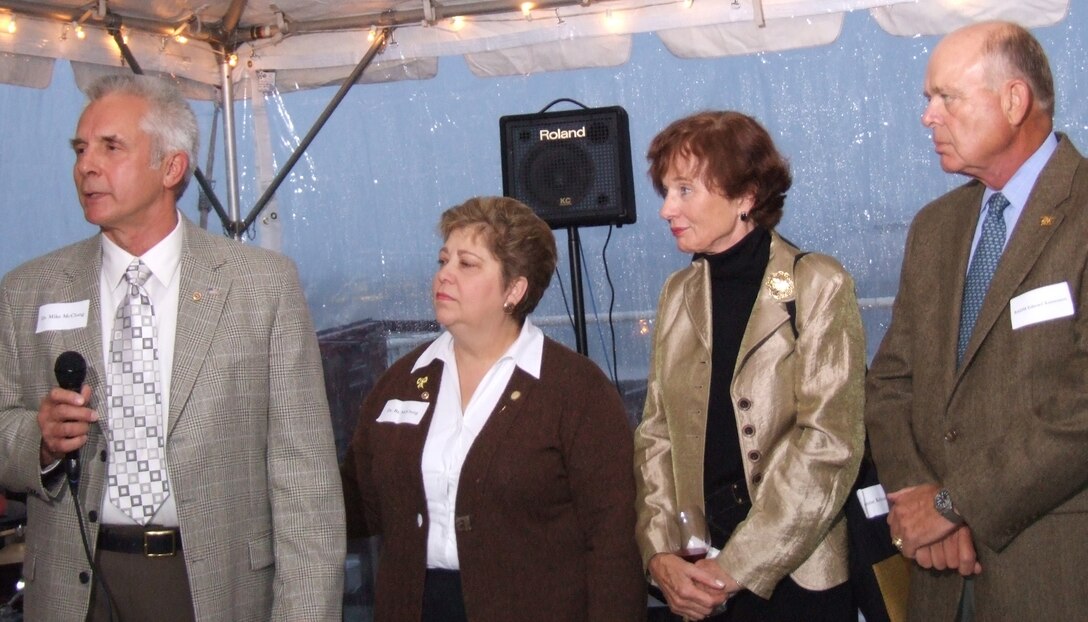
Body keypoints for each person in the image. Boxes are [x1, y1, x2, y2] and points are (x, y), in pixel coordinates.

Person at [0, 74, 345, 621]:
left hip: (212, 586)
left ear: (171, 167)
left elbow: (307, 484)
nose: (86, 165)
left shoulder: (261, 287)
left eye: (111, 147)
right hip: (74, 588)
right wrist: (37, 444)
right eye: (81, 149)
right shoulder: (28, 291)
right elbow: (2, 425)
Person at [865, 20, 1088, 621]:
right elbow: (889, 383)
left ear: (1013, 101)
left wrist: (955, 502)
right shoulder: (936, 228)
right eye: (927, 100)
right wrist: (922, 504)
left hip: (1055, 571)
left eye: (947, 98)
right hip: (942, 579)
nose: (928, 117)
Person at [340, 196, 646, 621]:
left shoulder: (575, 391)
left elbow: (613, 541)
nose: (444, 275)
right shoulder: (404, 380)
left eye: (466, 264)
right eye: (443, 260)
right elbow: (355, 501)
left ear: (514, 289)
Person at [634, 111, 866, 621]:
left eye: (684, 190)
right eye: (666, 191)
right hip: (696, 572)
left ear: (746, 196)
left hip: (797, 577)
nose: (666, 209)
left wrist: (739, 565)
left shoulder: (816, 283)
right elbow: (655, 436)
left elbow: (830, 445)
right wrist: (660, 556)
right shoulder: (678, 293)